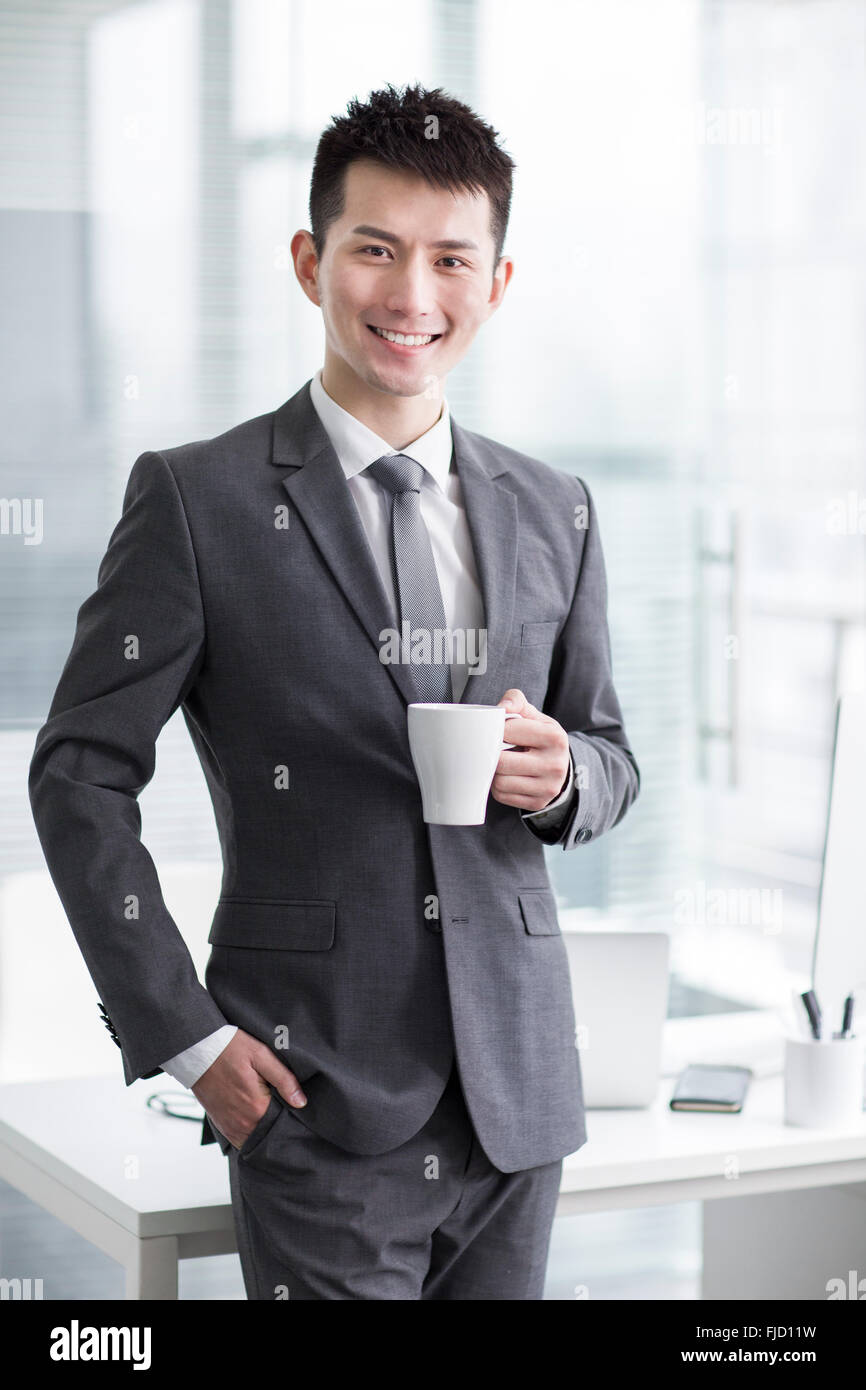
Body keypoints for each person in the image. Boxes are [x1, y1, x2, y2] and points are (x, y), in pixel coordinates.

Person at [29, 82, 640, 1300]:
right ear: (311, 263)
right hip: (317, 1101)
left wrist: (566, 771)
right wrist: (186, 1037)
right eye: (375, 250)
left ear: (496, 285)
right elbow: (78, 776)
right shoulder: (198, 500)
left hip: (516, 1100)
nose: (412, 297)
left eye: (451, 259)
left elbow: (613, 755)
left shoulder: (552, 507)